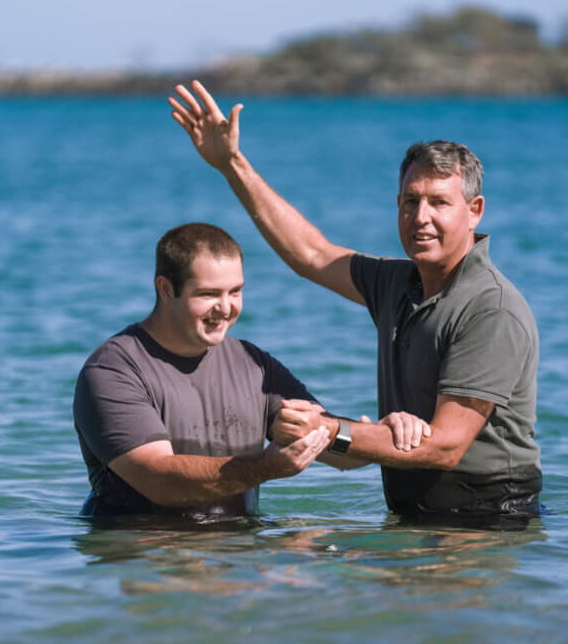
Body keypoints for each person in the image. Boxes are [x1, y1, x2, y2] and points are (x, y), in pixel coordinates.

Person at [169, 82, 541, 518]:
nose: (421, 217)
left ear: (474, 210)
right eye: (410, 201)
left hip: (491, 521)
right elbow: (311, 255)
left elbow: (444, 445)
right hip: (416, 523)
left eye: (439, 203)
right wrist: (232, 164)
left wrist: (329, 430)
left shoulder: (490, 308)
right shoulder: (396, 283)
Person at [74, 222, 402, 519]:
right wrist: (264, 467)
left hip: (238, 556)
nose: (226, 308)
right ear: (165, 288)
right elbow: (159, 481)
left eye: (236, 291)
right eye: (208, 294)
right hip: (146, 554)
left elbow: (333, 446)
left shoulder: (253, 365)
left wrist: (381, 434)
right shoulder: (113, 369)